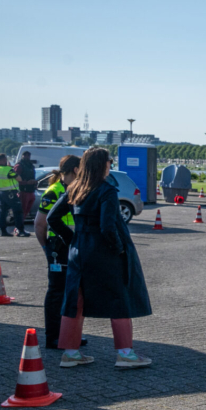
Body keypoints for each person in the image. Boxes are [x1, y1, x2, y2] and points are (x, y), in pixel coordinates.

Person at [46, 148, 153, 369]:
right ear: (102, 164)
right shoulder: (107, 190)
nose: (110, 165)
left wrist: (72, 239)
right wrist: (119, 249)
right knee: (119, 299)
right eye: (109, 161)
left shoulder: (75, 188)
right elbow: (107, 226)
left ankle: (70, 353)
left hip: (79, 251)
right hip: (104, 253)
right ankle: (125, 354)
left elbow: (52, 218)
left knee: (75, 301)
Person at [34, 156, 84, 350]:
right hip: (59, 246)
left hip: (73, 244)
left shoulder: (76, 188)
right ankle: (53, 336)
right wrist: (46, 248)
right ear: (75, 169)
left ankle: (69, 334)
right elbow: (40, 223)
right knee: (56, 291)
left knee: (73, 291)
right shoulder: (54, 191)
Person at [0, 153, 28, 237]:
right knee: (18, 211)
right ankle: (20, 230)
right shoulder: (8, 170)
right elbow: (19, 179)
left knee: (2, 212)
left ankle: (3, 231)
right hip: (10, 193)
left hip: (0, 192)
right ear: (4, 160)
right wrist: (11, 168)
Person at [15, 150, 38, 226]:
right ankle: (18, 227)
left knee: (26, 211)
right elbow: (15, 179)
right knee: (22, 211)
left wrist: (35, 183)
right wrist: (26, 182)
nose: (27, 157)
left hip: (31, 190)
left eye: (28, 155)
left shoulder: (30, 165)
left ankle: (20, 226)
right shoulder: (19, 166)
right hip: (23, 191)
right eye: (25, 155)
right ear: (22, 156)